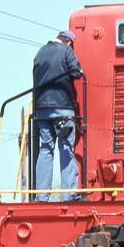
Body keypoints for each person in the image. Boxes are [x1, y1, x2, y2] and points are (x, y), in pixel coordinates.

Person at [32, 31, 83, 201]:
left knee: (46, 148)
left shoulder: (40, 51)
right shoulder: (65, 51)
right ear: (69, 43)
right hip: (62, 106)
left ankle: (41, 195)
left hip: (41, 108)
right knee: (66, 148)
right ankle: (69, 194)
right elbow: (77, 72)